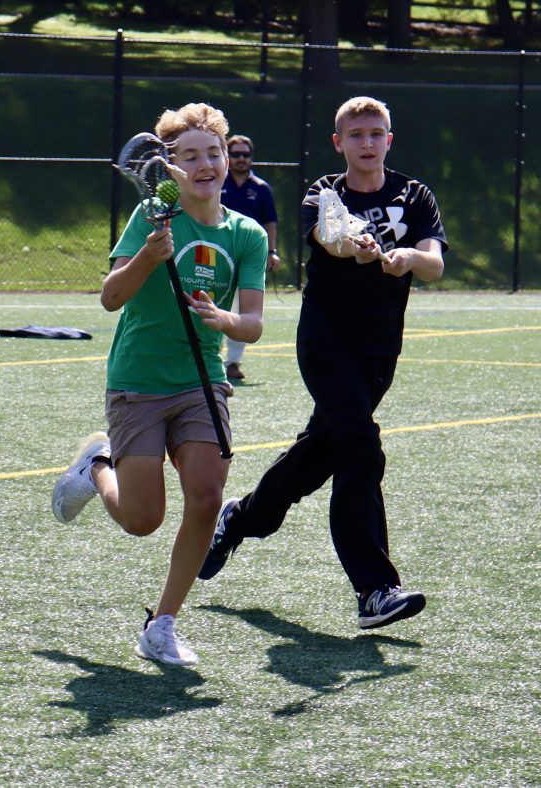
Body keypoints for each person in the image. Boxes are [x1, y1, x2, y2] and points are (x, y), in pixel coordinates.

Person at [197, 96, 447, 631]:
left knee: (319, 454)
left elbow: (434, 263)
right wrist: (353, 247)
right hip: (327, 342)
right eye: (355, 135)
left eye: (375, 133)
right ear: (339, 143)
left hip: (380, 349)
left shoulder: (415, 194)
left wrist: (406, 258)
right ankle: (375, 589)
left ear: (389, 139)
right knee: (360, 445)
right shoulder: (323, 192)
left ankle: (239, 519)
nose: (366, 143)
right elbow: (328, 239)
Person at [50, 103, 267, 667]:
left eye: (213, 153)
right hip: (139, 380)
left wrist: (223, 321)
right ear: (170, 168)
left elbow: (254, 324)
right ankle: (98, 466)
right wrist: (149, 255)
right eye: (189, 155)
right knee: (143, 519)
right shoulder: (154, 216)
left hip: (202, 379)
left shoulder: (246, 235)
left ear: (227, 159)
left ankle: (161, 624)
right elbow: (111, 297)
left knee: (208, 495)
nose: (205, 163)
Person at [219, 133, 280, 382]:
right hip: (217, 253)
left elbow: (270, 222)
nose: (241, 159)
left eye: (246, 154)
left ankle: (232, 363)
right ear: (228, 157)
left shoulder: (261, 188)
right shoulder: (215, 182)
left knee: (241, 312)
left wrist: (272, 251)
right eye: (236, 154)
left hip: (248, 257)